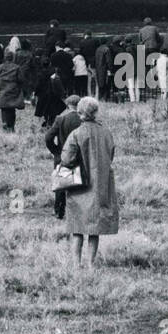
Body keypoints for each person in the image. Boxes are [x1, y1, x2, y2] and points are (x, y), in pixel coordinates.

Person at [59, 97, 119, 267]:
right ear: (95, 112)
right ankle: (91, 264)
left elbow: (66, 159)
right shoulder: (106, 132)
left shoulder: (76, 134)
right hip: (101, 183)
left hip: (79, 186)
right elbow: (111, 155)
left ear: (79, 112)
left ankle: (76, 265)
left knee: (77, 227)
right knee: (95, 228)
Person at [45, 95, 83, 219]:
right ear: (79, 105)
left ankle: (59, 211)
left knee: (61, 184)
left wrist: (55, 151)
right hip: (79, 155)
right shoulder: (83, 120)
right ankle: (77, 211)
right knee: (79, 183)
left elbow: (48, 137)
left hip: (62, 155)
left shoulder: (60, 119)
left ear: (67, 105)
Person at [0, 50, 25, 131]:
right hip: (13, 92)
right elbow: (21, 80)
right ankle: (11, 126)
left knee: (4, 109)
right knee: (12, 110)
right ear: (12, 58)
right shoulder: (17, 67)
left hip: (2, 91)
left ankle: (5, 123)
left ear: (4, 57)